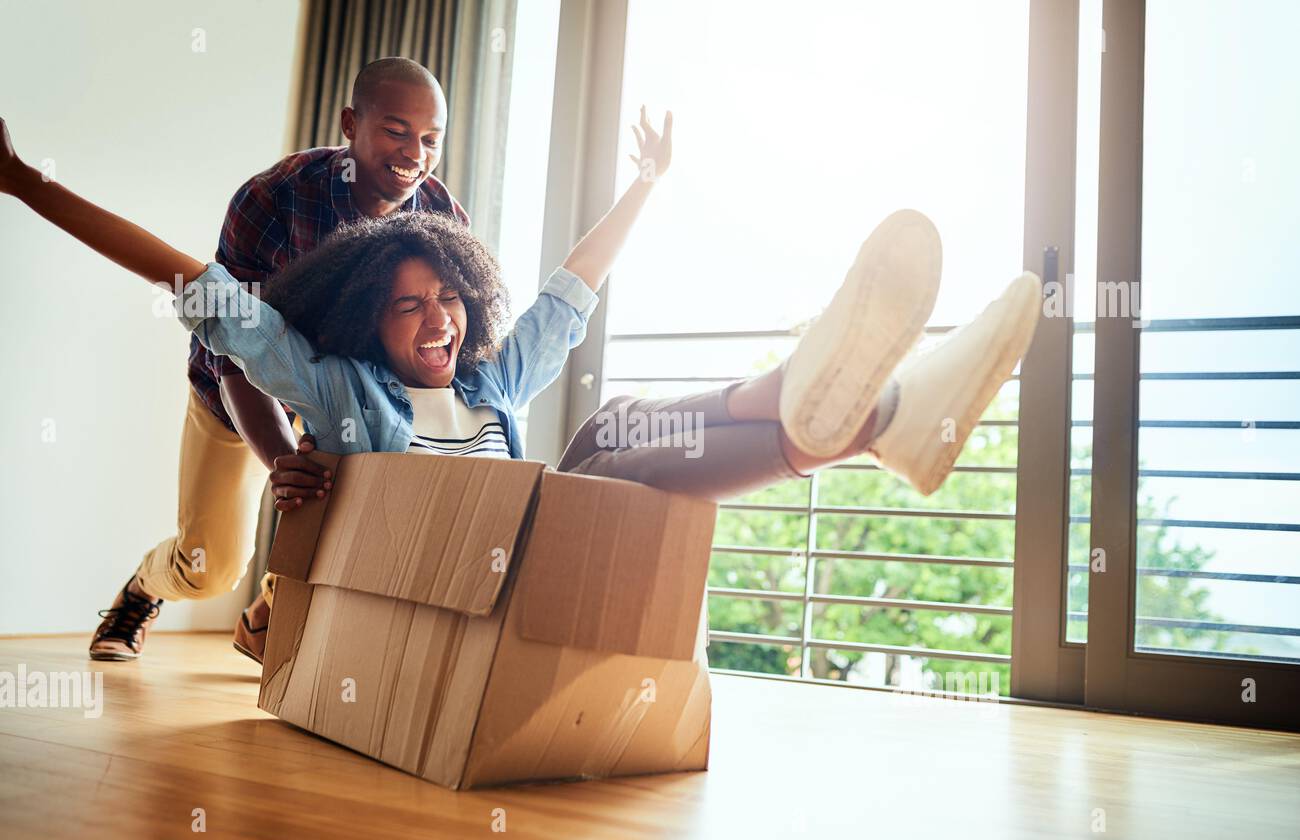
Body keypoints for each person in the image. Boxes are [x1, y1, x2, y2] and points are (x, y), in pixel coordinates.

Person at [0, 108, 1041, 659]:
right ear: (370, 319)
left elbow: (572, 286)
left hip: (531, 579)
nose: (435, 321)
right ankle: (825, 403)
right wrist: (29, 183)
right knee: (594, 445)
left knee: (605, 433)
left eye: (446, 299)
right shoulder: (336, 388)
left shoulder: (492, 378)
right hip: (446, 601)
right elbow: (189, 278)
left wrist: (647, 183)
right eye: (406, 308)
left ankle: (864, 424)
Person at [87, 57, 469, 663]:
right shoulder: (274, 198)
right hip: (237, 390)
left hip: (343, 401)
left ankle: (268, 617)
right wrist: (281, 463)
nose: (414, 154)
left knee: (349, 518)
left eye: (430, 139)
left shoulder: (440, 218)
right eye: (396, 131)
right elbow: (237, 354)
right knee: (208, 567)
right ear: (351, 122)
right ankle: (143, 588)